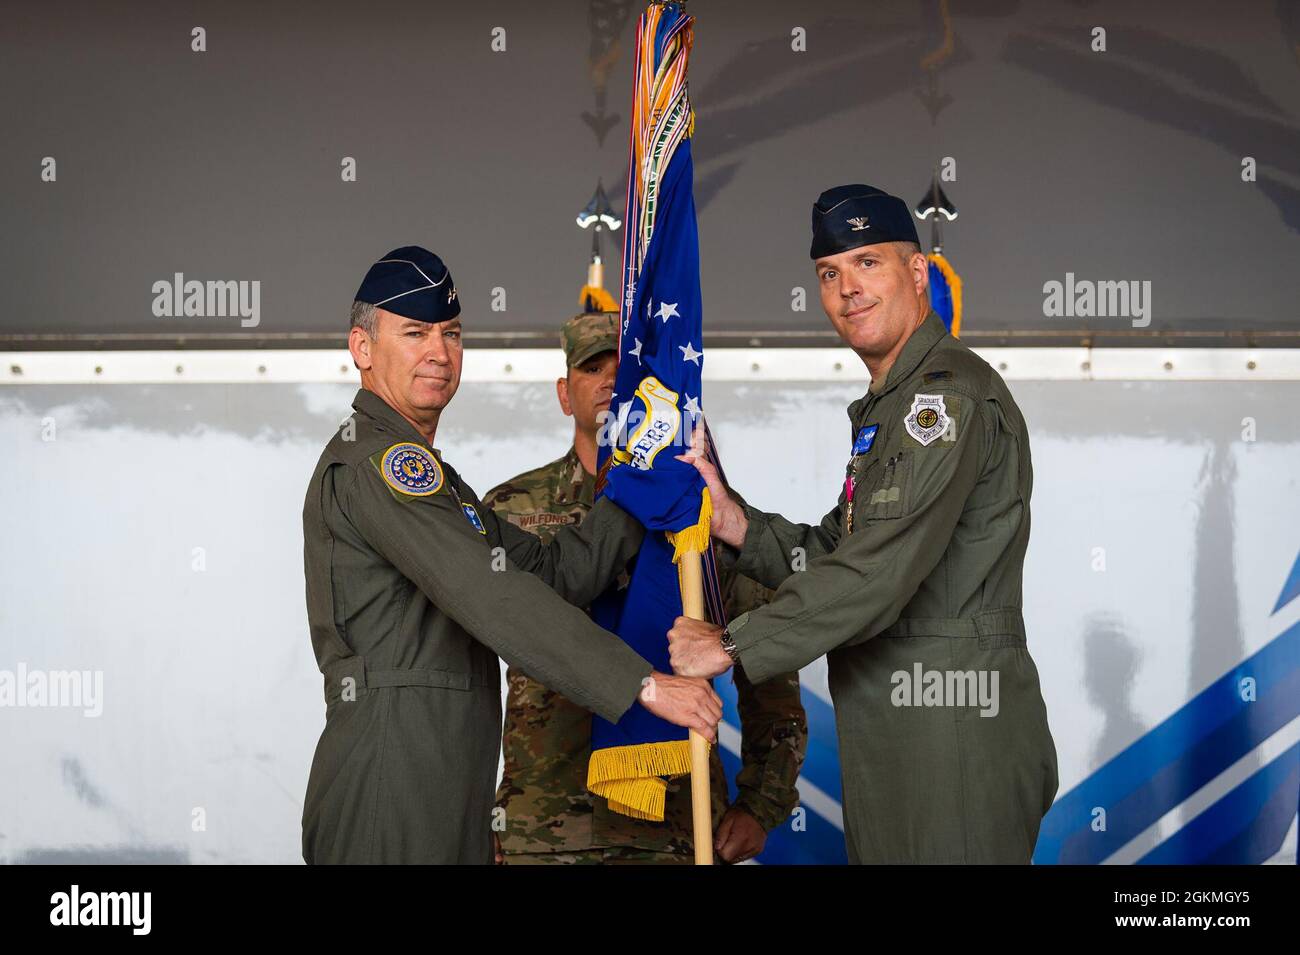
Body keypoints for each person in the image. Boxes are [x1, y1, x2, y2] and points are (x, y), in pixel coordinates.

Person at [667, 186, 1059, 864]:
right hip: (902, 735)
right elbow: (837, 550)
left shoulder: (942, 398)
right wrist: (736, 523)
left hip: (952, 737)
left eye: (868, 263)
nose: (848, 288)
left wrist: (731, 643)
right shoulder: (896, 402)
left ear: (917, 274)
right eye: (830, 273)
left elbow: (875, 571)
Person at [301, 246, 721, 864]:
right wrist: (641, 684)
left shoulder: (432, 476)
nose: (439, 353)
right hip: (392, 774)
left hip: (444, 775)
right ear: (362, 349)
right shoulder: (380, 464)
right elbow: (490, 595)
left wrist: (639, 468)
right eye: (414, 333)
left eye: (451, 333)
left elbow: (553, 573)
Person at [485, 311, 807, 865]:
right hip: (541, 828)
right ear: (566, 394)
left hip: (676, 827)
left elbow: (769, 667)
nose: (614, 379)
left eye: (630, 367)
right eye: (594, 367)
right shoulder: (512, 510)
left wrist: (762, 802)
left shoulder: (702, 508)